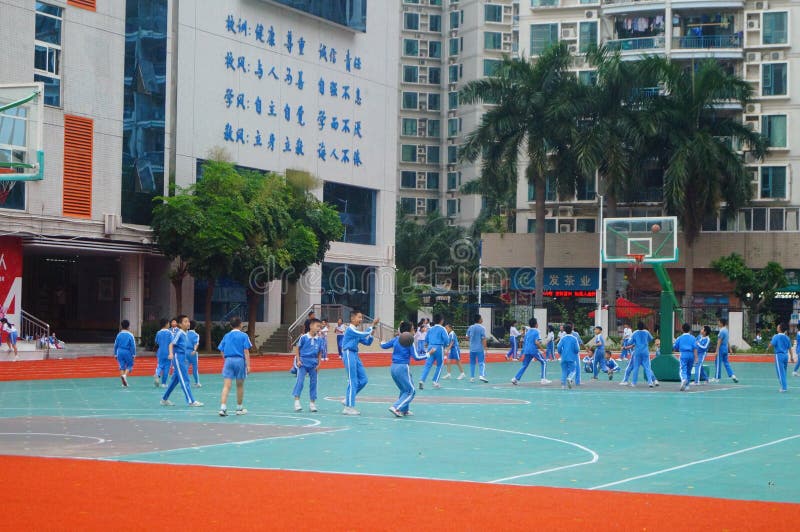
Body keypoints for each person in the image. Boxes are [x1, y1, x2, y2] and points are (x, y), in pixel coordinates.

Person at [382, 321, 428, 417]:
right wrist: (428, 355)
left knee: (404, 390)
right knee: (411, 391)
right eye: (413, 329)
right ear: (408, 331)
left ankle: (404, 410)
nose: (414, 331)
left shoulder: (396, 339)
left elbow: (384, 346)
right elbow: (416, 357)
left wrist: (382, 342)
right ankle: (396, 407)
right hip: (403, 367)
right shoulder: (409, 341)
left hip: (393, 367)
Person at [341, 311, 379, 415]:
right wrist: (372, 325)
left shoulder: (356, 331)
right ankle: (348, 407)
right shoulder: (350, 330)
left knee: (363, 380)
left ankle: (348, 399)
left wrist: (373, 330)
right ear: (352, 318)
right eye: (359, 317)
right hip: (348, 353)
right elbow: (364, 334)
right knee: (353, 380)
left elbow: (368, 342)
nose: (361, 319)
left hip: (355, 355)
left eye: (361, 317)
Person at [161, 315, 203, 407]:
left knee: (175, 380)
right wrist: (171, 354)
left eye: (188, 321)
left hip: (182, 357)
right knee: (185, 379)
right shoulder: (179, 333)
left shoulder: (185, 333)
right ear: (180, 324)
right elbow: (171, 344)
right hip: (178, 358)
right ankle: (191, 401)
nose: (188, 323)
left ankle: (164, 399)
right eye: (185, 321)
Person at [217, 317, 252, 416]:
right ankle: (239, 408)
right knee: (240, 385)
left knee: (226, 386)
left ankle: (223, 408)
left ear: (230, 325)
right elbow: (246, 351)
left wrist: (226, 359)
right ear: (240, 324)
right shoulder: (244, 335)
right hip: (239, 361)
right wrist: (248, 365)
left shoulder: (226, 335)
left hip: (228, 360)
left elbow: (221, 350)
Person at [293, 318, 322, 412]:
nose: (319, 328)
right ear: (311, 326)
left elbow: (319, 353)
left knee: (314, 383)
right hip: (303, 363)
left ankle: (312, 403)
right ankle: (297, 401)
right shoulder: (304, 337)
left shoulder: (319, 339)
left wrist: (319, 364)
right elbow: (297, 349)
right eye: (317, 326)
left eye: (320, 327)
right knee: (300, 382)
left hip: (313, 364)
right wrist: (298, 360)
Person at [511, 318, 549, 385]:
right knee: (544, 362)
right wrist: (543, 350)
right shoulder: (537, 331)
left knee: (524, 365)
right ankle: (543, 379)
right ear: (536, 324)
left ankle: (515, 378)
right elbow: (537, 342)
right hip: (533, 350)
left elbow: (524, 342)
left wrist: (522, 352)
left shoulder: (527, 332)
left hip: (527, 350)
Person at [419, 314, 449, 389]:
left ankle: (422, 380)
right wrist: (445, 346)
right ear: (441, 320)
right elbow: (446, 340)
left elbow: (426, 339)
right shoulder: (442, 329)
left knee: (427, 365)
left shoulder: (431, 329)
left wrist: (428, 344)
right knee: (440, 365)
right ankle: (435, 381)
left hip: (430, 347)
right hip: (439, 347)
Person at [627, 321, 655, 388]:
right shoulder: (646, 332)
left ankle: (634, 383)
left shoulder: (635, 333)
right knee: (647, 367)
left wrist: (630, 340)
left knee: (636, 367)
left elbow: (629, 342)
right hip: (645, 351)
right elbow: (651, 339)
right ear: (643, 326)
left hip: (637, 352)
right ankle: (650, 382)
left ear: (637, 327)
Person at [712, 318, 738, 383]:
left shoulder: (721, 331)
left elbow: (719, 341)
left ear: (721, 323)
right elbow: (727, 340)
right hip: (725, 348)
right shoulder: (726, 330)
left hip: (721, 348)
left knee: (718, 363)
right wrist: (730, 349)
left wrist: (716, 351)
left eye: (718, 322)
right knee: (726, 362)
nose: (718, 323)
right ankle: (732, 375)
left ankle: (717, 378)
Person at [466, 314, 489, 383]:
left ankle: (472, 377)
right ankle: (481, 375)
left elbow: (467, 337)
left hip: (472, 348)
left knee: (472, 363)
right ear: (479, 320)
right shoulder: (482, 328)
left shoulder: (470, 327)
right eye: (481, 318)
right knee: (481, 363)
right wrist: (486, 348)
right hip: (479, 348)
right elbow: (483, 339)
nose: (482, 319)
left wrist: (472, 340)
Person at [673, 323, 696, 391]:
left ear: (682, 329)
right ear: (689, 329)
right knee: (689, 370)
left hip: (683, 354)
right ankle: (687, 385)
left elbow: (675, 347)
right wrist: (696, 357)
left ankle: (684, 379)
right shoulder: (693, 338)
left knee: (683, 369)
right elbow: (695, 348)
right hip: (691, 355)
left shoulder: (679, 338)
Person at [113, 319, 136, 387]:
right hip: (127, 351)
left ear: (121, 326)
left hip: (119, 352)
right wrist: (133, 354)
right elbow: (133, 346)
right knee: (130, 365)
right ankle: (125, 375)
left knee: (121, 367)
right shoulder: (130, 335)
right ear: (128, 326)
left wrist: (115, 354)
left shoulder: (118, 335)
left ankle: (123, 383)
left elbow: (115, 345)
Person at [770, 322, 791, 393]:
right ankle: (784, 386)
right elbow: (789, 348)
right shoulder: (787, 337)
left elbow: (771, 344)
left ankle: (784, 388)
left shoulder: (776, 336)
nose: (777, 327)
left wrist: (768, 347)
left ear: (780, 329)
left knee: (780, 372)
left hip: (779, 355)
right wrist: (791, 357)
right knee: (784, 372)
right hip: (786, 356)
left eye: (778, 326)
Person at [557, 323, 580, 389]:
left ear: (565, 330)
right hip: (571, 357)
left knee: (564, 371)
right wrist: (575, 352)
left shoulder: (563, 338)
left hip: (563, 357)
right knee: (573, 370)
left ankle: (563, 384)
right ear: (571, 330)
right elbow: (577, 349)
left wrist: (560, 352)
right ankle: (570, 378)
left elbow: (558, 346)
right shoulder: (574, 339)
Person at [153, 319, 172, 388]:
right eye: (169, 323)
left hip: (160, 352)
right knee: (167, 368)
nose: (169, 325)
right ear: (166, 324)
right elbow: (171, 343)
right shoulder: (170, 333)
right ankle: (163, 383)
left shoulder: (158, 333)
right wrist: (171, 353)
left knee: (160, 365)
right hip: (168, 352)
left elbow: (156, 342)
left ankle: (157, 374)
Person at [186, 320, 201, 387]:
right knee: (195, 368)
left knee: (185, 368)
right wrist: (195, 350)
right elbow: (196, 343)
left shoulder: (185, 333)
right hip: (192, 352)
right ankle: (197, 382)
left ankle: (186, 382)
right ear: (195, 327)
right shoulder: (196, 335)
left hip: (185, 352)